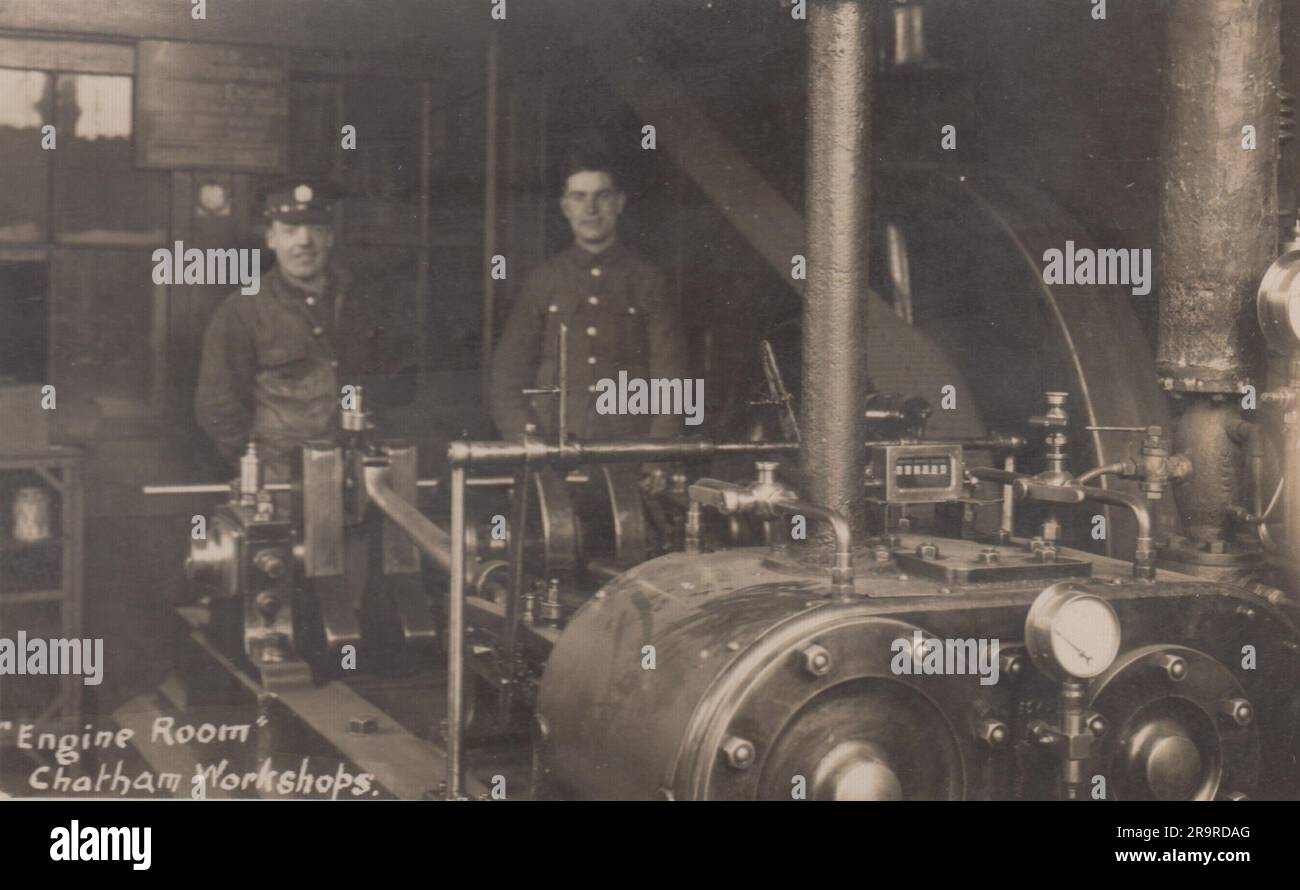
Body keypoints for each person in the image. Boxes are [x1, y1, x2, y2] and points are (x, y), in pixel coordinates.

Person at [195, 177, 415, 480]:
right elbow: (218, 405)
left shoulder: (365, 301)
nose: (304, 241)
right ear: (271, 238)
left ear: (330, 238)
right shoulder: (242, 310)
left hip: (364, 476)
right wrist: (259, 468)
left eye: (315, 229)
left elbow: (398, 386)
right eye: (289, 231)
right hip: (284, 482)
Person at [490, 153, 688, 467]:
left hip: (629, 451)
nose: (591, 209)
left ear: (620, 203)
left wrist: (657, 454)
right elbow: (506, 377)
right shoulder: (543, 280)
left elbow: (671, 376)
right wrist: (527, 442)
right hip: (554, 450)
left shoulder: (648, 280)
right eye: (579, 197)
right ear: (565, 207)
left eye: (602, 196)